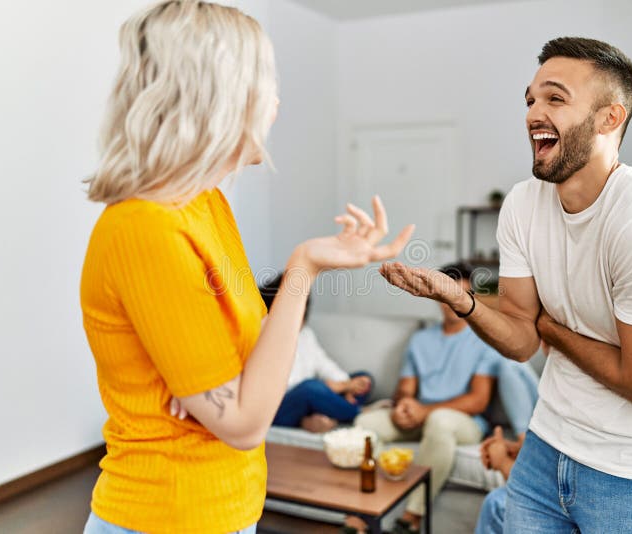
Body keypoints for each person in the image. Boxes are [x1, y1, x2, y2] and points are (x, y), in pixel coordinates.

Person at [80, 3, 414, 533]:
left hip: (227, 506)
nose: (276, 104)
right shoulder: (145, 228)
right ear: (218, 95)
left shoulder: (206, 204)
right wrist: (301, 270)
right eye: (266, 83)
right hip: (166, 517)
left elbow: (250, 364)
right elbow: (244, 421)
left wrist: (227, 384)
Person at [381, 36, 632, 533]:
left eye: (555, 98)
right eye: (530, 99)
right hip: (544, 450)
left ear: (609, 118)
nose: (534, 112)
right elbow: (520, 336)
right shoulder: (523, 206)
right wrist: (460, 299)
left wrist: (552, 331)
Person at [347, 262, 538, 534]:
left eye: (462, 294)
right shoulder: (421, 339)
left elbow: (478, 400)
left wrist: (424, 411)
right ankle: (364, 513)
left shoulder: (484, 338)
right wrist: (403, 406)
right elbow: (406, 389)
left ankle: (411, 518)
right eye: (448, 295)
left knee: (440, 420)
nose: (454, 302)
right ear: (437, 296)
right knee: (366, 424)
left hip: (463, 422)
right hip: (421, 417)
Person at [259, 272, 373, 432]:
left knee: (364, 378)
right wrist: (337, 387)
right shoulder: (264, 333)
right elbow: (285, 385)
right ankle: (360, 414)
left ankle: (321, 415)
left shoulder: (305, 334)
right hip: (278, 407)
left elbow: (324, 365)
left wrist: (347, 385)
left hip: (311, 396)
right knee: (310, 388)